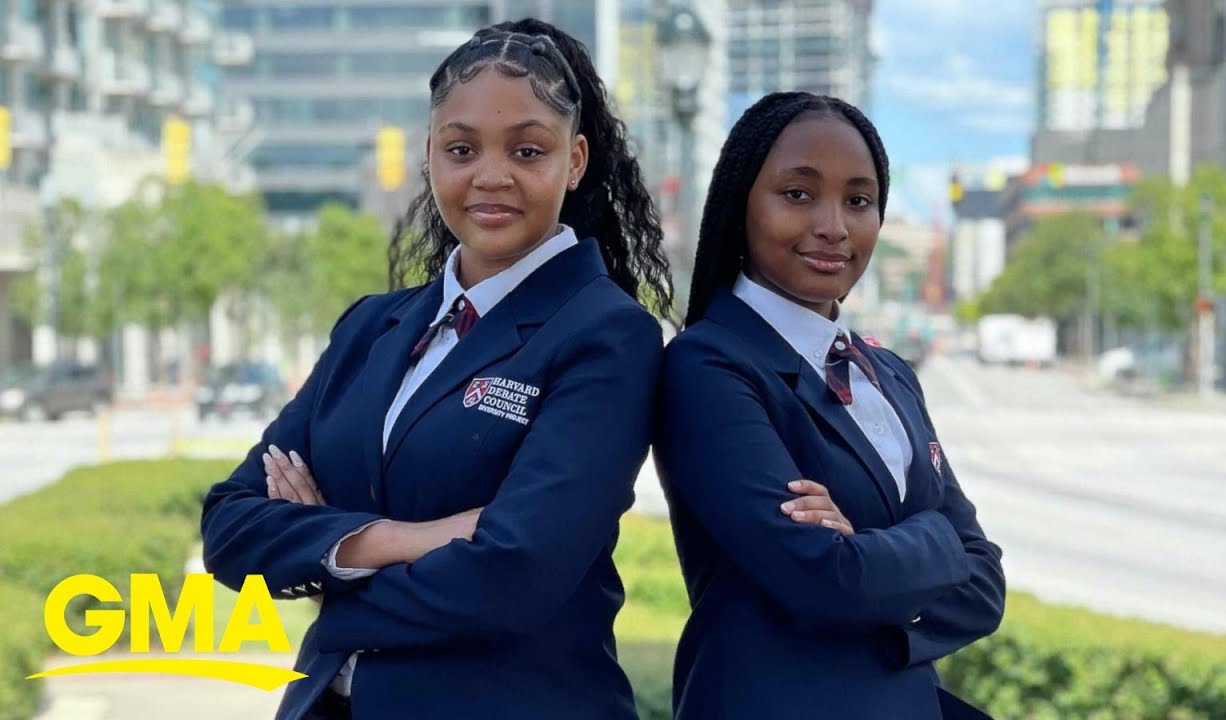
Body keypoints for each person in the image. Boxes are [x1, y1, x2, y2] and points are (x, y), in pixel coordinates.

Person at [201, 20, 672, 720]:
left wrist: (329, 566)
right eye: (461, 148)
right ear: (428, 156)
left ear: (573, 162)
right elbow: (231, 526)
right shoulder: (371, 326)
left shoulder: (607, 335)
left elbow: (517, 574)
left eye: (527, 150)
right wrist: (393, 539)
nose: (491, 175)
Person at [654, 92, 1005, 720]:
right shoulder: (707, 368)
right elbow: (822, 576)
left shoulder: (890, 375)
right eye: (798, 194)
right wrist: (934, 539)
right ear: (741, 206)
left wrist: (868, 560)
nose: (834, 226)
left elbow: (985, 585)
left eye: (859, 201)